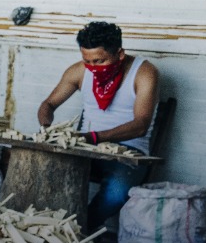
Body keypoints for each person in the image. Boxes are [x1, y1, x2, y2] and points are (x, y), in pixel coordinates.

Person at [38, 21, 159, 232]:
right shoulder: (78, 71)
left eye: (100, 61)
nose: (93, 68)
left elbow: (141, 125)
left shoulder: (144, 72)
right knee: (46, 172)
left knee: (116, 194)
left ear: (120, 54)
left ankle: (80, 232)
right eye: (87, 61)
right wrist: (48, 128)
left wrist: (95, 137)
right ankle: (47, 229)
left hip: (128, 151)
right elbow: (48, 104)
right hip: (86, 146)